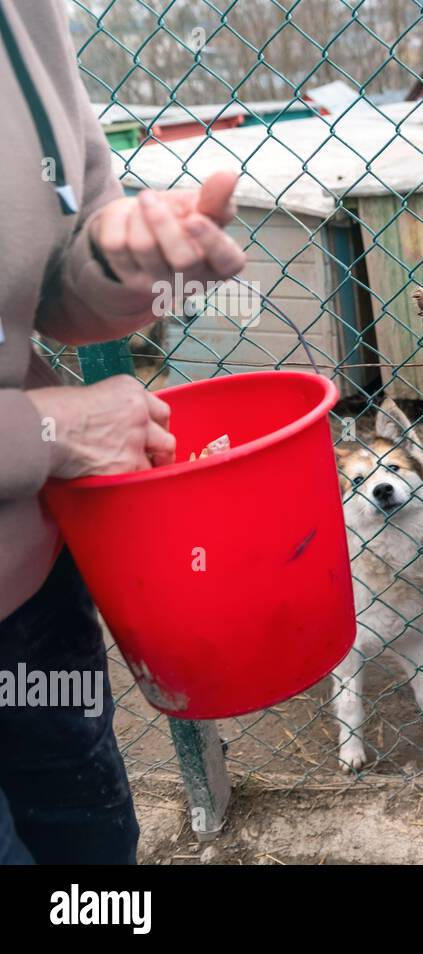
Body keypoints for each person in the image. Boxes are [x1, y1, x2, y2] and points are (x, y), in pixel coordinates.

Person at [0, 1, 246, 863]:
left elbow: (48, 281)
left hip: (25, 587)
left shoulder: (26, 20)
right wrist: (44, 430)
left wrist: (118, 264)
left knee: (95, 868)